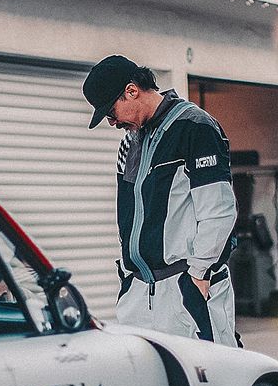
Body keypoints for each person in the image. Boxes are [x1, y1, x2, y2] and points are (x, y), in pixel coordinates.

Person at [82, 54, 239, 346]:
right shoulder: (130, 143)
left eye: (111, 111)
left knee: (208, 382)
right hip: (140, 293)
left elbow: (218, 212)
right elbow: (127, 215)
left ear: (132, 90)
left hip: (185, 289)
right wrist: (129, 280)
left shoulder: (195, 127)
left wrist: (198, 277)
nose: (111, 121)